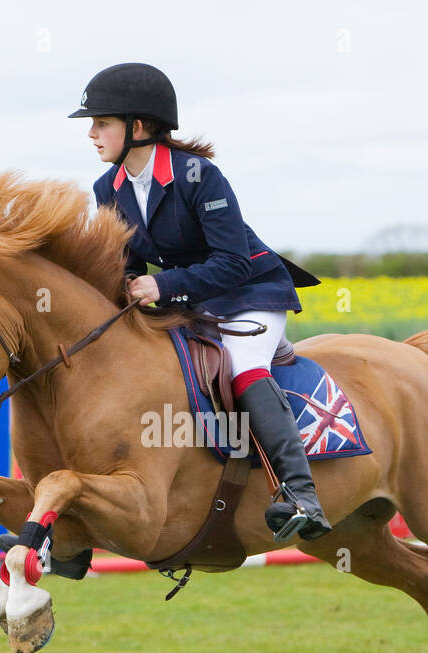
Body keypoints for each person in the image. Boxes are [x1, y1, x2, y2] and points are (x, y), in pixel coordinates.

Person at [69, 62, 332, 542]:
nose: (91, 133)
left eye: (101, 122)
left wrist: (162, 287)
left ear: (139, 127)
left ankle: (300, 494)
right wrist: (126, 285)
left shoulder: (199, 176)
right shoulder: (109, 188)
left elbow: (232, 262)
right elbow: (127, 263)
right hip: (192, 300)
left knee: (242, 367)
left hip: (250, 291)